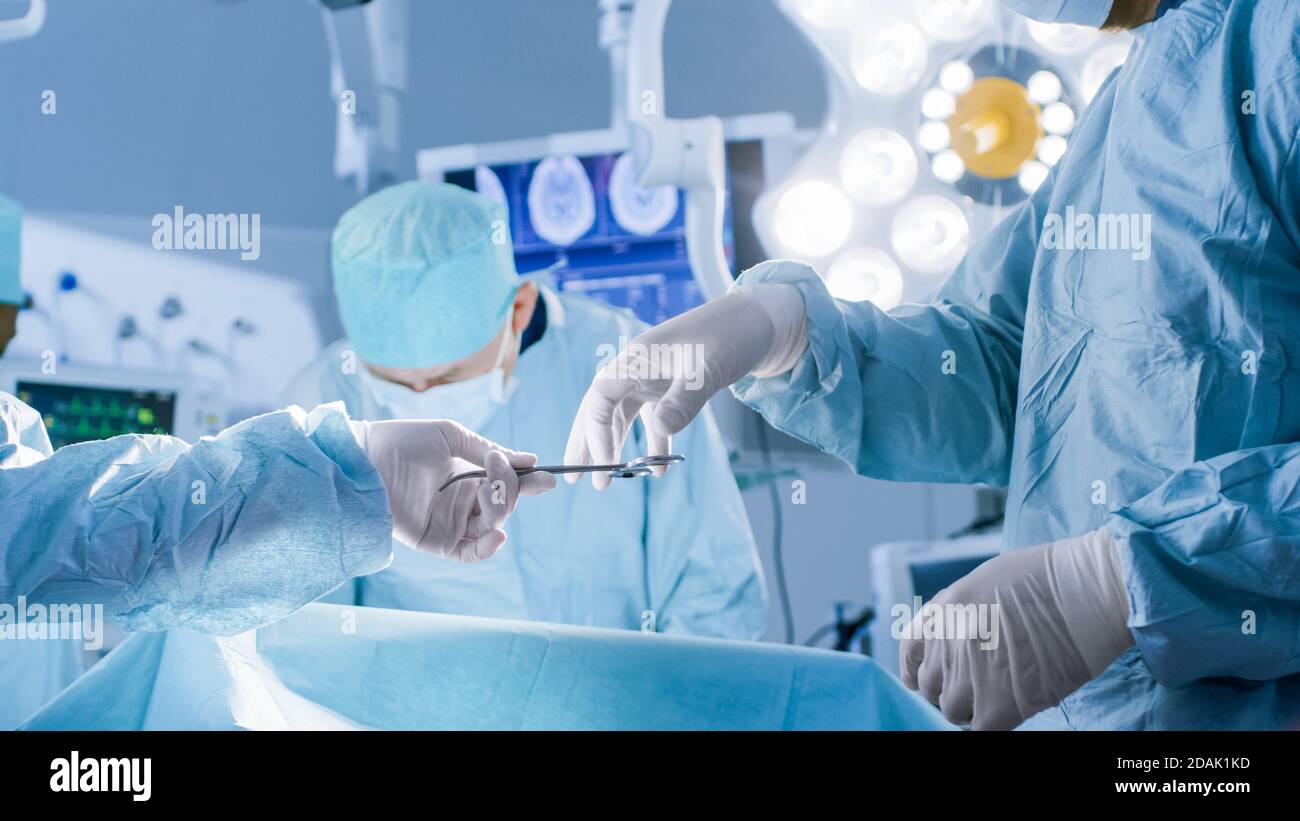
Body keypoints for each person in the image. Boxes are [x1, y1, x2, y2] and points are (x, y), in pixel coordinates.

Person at [566, 0, 1300, 729]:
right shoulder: (1138, 90)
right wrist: (788, 333)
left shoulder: (1275, 48)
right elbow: (1015, 359)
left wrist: (1120, 580)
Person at [0, 192, 553, 727]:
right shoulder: (322, 382)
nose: (15, 328)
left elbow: (57, 531)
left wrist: (351, 472)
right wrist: (344, 475)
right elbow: (68, 534)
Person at [282, 181, 765, 639]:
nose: (422, 396)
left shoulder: (630, 368)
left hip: (614, 703)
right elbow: (308, 621)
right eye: (390, 381)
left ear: (519, 309)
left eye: (449, 377)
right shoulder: (325, 394)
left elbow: (713, 590)